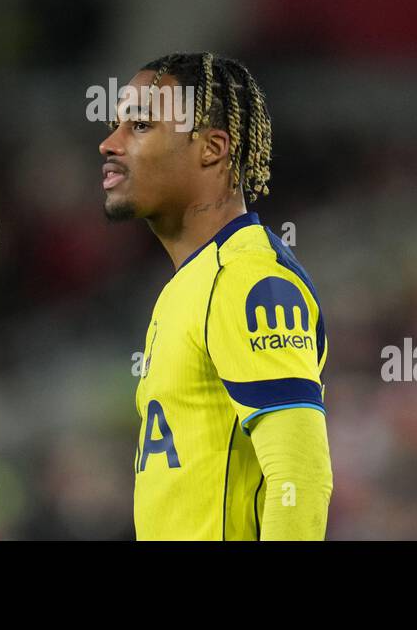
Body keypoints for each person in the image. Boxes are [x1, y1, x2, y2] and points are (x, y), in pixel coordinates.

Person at [99, 52, 332, 540]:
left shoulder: (248, 280)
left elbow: (301, 479)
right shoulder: (189, 283)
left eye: (139, 125)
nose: (109, 144)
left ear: (211, 148)